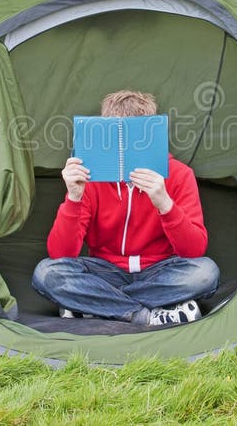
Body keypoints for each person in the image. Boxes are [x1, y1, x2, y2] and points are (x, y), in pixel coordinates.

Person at [31, 90, 219, 326]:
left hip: (159, 271)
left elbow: (194, 251)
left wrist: (165, 204)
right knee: (47, 273)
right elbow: (61, 254)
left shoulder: (180, 175)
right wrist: (74, 197)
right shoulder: (90, 178)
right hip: (106, 272)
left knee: (205, 273)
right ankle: (145, 315)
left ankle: (95, 305)